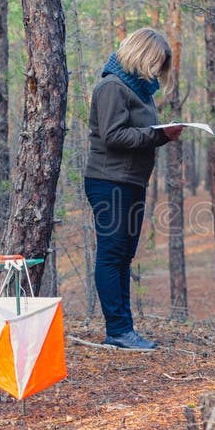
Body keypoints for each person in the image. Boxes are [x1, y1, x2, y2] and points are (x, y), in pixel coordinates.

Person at [84, 28, 183, 350]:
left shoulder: (139, 90)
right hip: (109, 181)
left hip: (130, 182)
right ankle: (118, 331)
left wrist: (160, 133)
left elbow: (134, 131)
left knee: (123, 257)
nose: (157, 69)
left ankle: (124, 329)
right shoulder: (112, 87)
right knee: (112, 256)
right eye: (155, 61)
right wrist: (158, 135)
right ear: (140, 54)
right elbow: (114, 136)